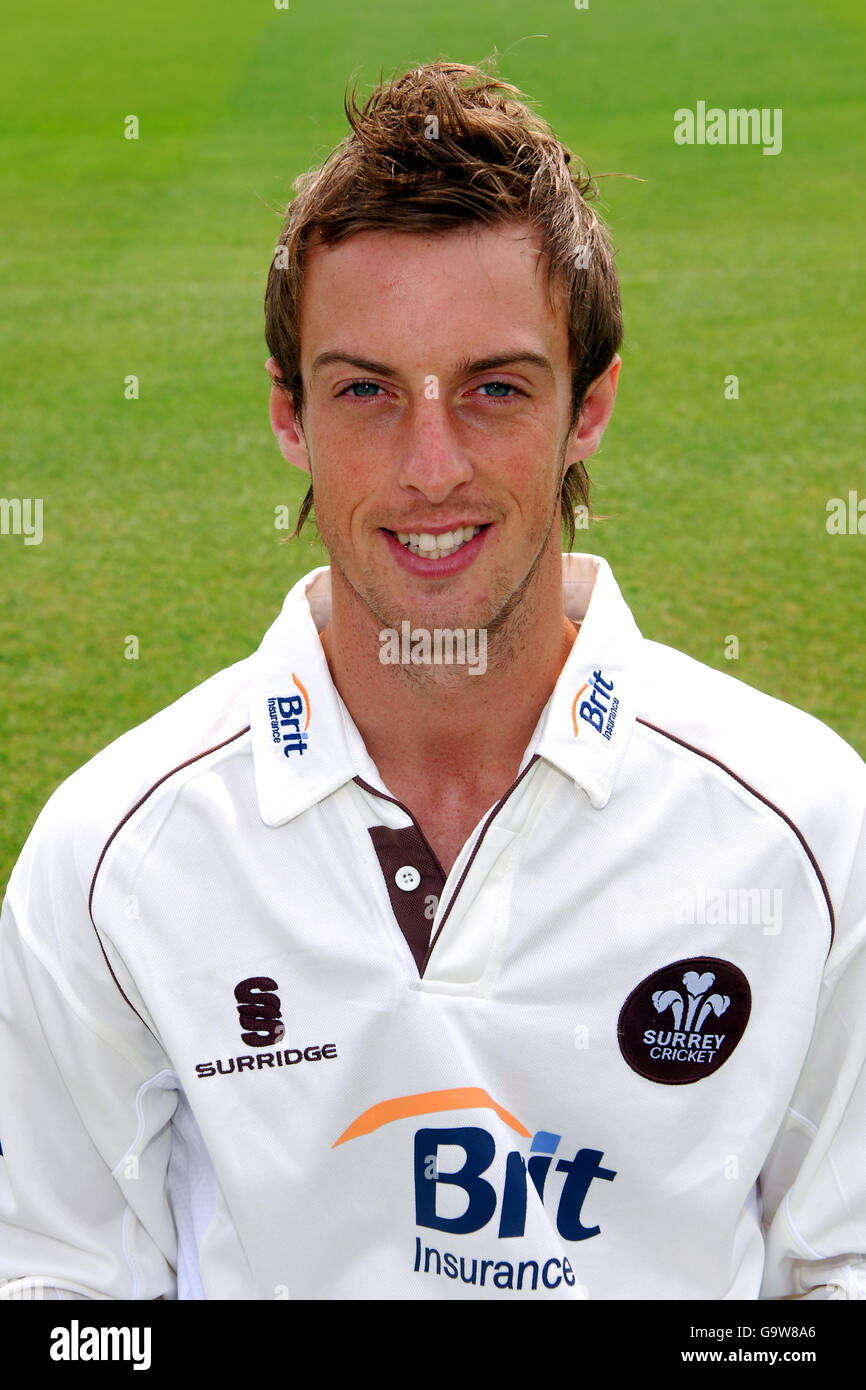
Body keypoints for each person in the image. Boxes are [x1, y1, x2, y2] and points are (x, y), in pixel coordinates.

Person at [0, 60, 863, 1303]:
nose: (430, 466)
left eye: (494, 388)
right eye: (364, 392)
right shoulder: (110, 855)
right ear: (290, 420)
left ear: (590, 409)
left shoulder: (805, 826)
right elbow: (54, 1298)